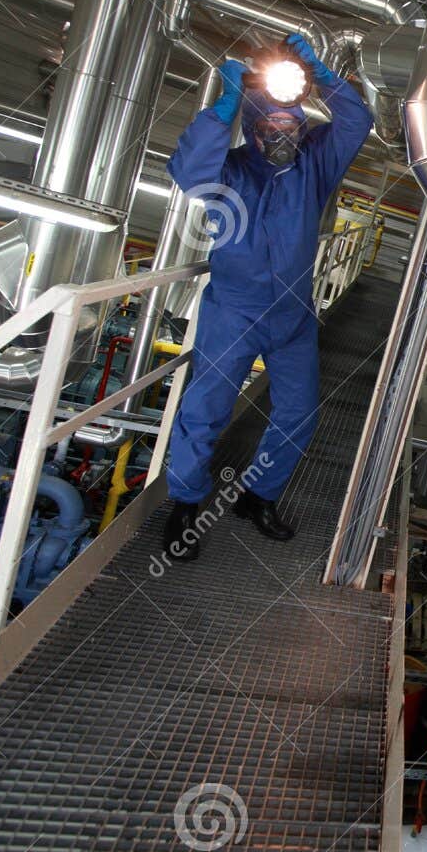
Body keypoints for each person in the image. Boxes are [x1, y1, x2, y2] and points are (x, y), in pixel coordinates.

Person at [161, 33, 372, 560]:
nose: (282, 135)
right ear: (253, 128)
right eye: (270, 125)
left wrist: (323, 76)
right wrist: (225, 106)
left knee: (299, 411)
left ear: (303, 126)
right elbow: (187, 171)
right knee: (205, 409)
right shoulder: (228, 171)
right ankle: (186, 502)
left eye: (291, 125)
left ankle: (259, 497)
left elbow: (356, 123)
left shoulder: (314, 167)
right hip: (235, 311)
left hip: (294, 314)